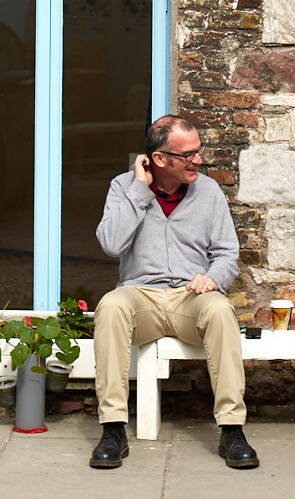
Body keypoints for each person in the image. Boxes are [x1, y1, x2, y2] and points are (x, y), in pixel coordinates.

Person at [90, 114, 259, 471]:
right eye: (188, 155)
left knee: (220, 310)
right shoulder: (123, 187)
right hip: (141, 297)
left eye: (198, 151)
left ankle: (232, 429)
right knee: (110, 306)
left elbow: (227, 253)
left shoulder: (208, 190)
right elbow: (110, 243)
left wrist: (213, 279)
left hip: (190, 298)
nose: (198, 160)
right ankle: (112, 428)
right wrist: (139, 190)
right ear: (160, 159)